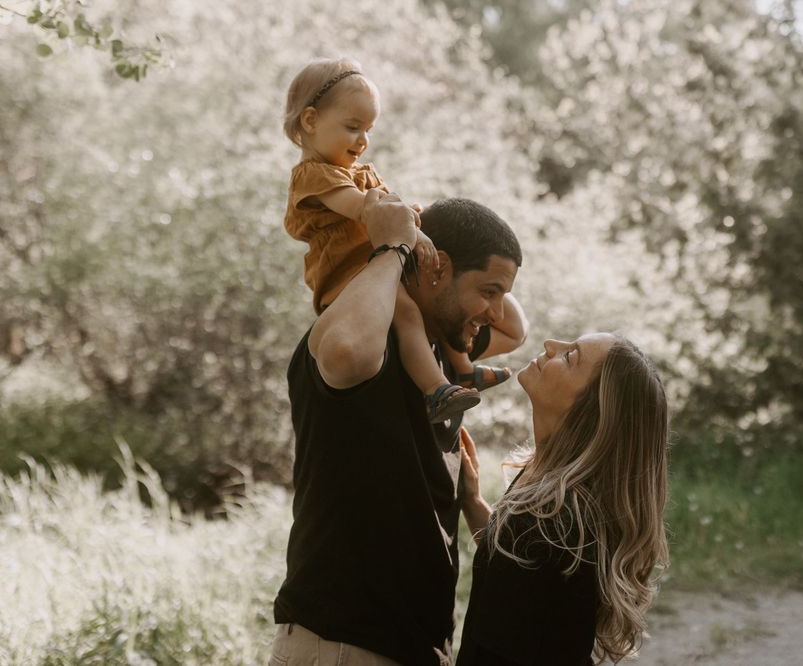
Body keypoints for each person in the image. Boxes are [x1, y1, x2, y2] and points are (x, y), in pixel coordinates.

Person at [270, 190, 526, 666]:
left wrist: (434, 233)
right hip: (343, 646)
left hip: (415, 647)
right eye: (489, 292)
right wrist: (392, 248)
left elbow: (515, 332)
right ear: (437, 267)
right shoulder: (368, 339)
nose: (495, 312)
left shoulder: (445, 355)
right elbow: (346, 352)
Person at [282, 56, 511, 423]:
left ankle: (463, 368)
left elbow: (394, 210)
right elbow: (366, 210)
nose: (364, 140)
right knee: (405, 310)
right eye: (353, 126)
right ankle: (436, 390)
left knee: (434, 303)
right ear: (310, 121)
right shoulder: (313, 176)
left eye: (369, 129)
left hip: (379, 263)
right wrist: (410, 227)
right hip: (346, 276)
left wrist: (417, 220)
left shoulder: (362, 173)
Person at [456, 334, 670, 665]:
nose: (550, 344)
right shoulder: (557, 503)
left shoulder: (547, 520)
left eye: (570, 357)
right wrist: (473, 502)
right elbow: (515, 574)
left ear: (589, 411)